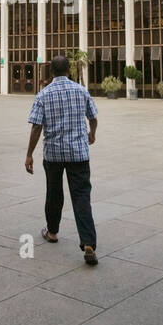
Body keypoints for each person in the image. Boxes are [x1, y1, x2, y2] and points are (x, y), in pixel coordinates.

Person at [26, 55, 100, 265]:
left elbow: (36, 127)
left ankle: (52, 232)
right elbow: (93, 118)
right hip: (78, 153)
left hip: (53, 154)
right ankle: (88, 243)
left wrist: (29, 153)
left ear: (51, 72)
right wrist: (92, 133)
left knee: (54, 193)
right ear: (70, 71)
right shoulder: (81, 90)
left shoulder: (43, 94)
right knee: (81, 196)